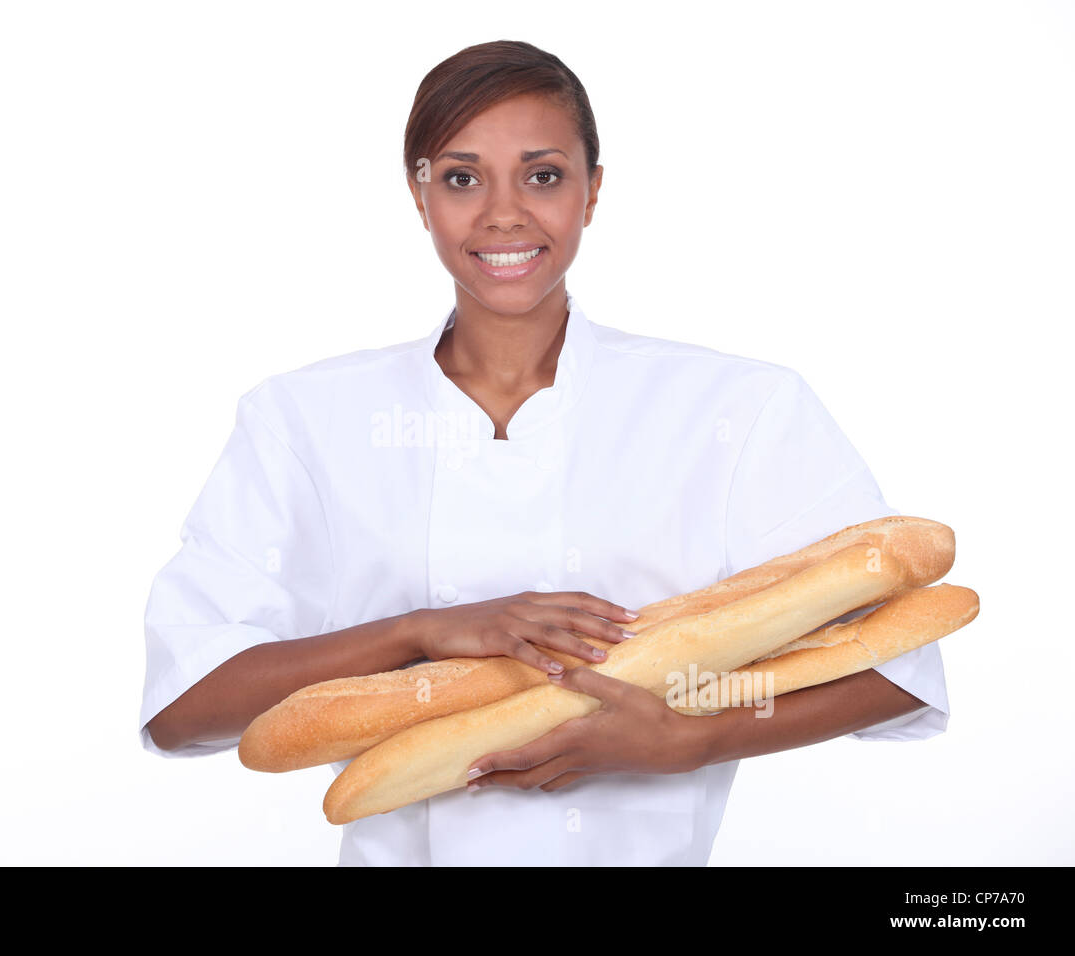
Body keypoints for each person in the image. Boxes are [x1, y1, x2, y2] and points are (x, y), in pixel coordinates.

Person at [139, 40, 949, 866]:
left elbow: (897, 665)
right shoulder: (305, 418)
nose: (503, 214)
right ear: (419, 196)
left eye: (543, 174)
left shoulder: (734, 407)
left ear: (594, 190)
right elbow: (184, 706)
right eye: (460, 178)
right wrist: (425, 632)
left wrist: (694, 736)